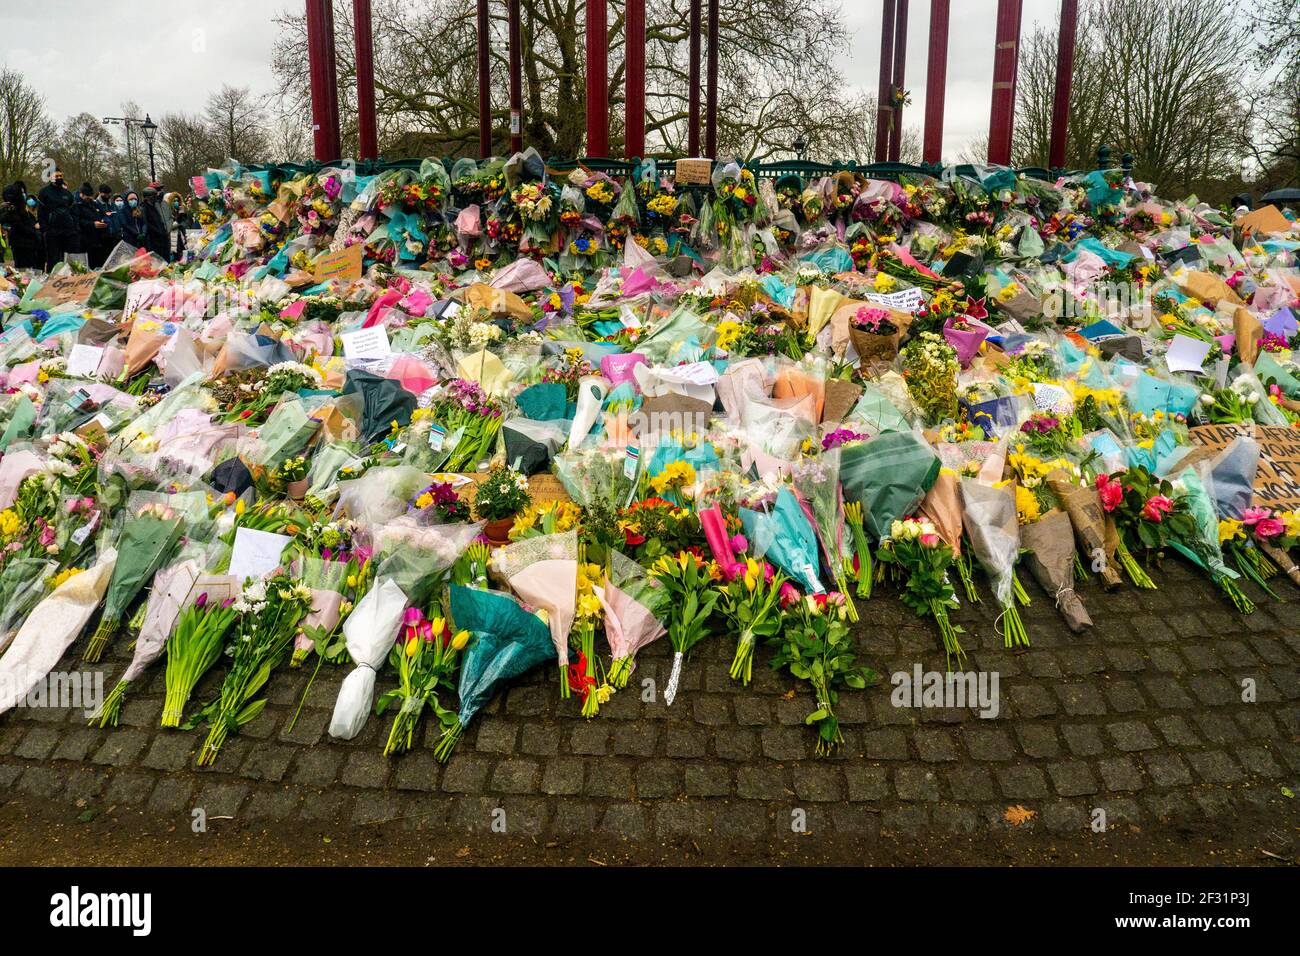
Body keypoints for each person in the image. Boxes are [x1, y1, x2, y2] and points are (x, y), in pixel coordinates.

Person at [37, 170, 80, 270]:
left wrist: (74, 227)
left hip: (67, 231)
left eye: (61, 175)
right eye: (56, 176)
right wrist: (44, 229)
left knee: (67, 260)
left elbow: (74, 211)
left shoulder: (67, 194)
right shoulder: (44, 192)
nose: (59, 178)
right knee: (53, 259)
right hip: (52, 232)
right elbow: (41, 212)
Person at [0, 181, 44, 269]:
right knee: (23, 270)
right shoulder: (10, 210)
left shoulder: (25, 208)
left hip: (32, 243)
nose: (23, 195)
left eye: (24, 192)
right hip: (21, 244)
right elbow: (18, 225)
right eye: (21, 192)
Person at [74, 182, 110, 268]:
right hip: (84, 241)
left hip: (98, 240)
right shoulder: (76, 206)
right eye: (87, 195)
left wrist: (105, 220)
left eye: (90, 195)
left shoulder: (94, 204)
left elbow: (103, 214)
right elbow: (77, 222)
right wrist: (92, 224)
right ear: (81, 194)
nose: (89, 198)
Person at [139, 185, 170, 260]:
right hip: (153, 240)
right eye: (153, 196)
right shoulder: (144, 208)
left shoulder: (155, 207)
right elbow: (147, 224)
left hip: (162, 238)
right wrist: (158, 232)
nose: (155, 197)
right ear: (147, 197)